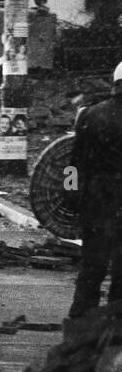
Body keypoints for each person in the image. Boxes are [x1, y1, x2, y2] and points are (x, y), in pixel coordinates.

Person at [68, 62, 122, 318]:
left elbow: (74, 163)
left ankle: (80, 329)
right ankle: (115, 333)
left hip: (97, 202)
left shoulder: (89, 116)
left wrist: (70, 195)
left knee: (92, 268)